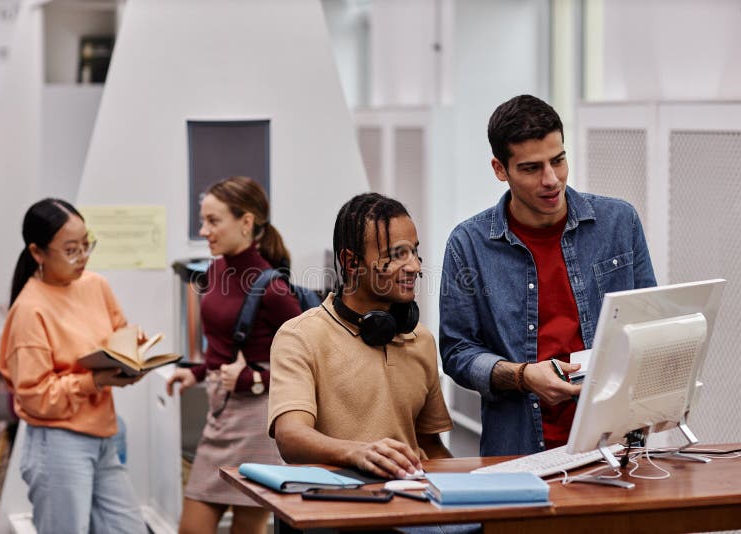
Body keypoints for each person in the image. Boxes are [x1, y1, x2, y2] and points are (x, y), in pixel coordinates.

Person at [439, 94, 657, 457]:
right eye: (531, 168)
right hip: (518, 449)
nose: (551, 180)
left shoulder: (619, 222)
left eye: (558, 160)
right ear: (499, 169)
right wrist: (523, 376)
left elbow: (649, 323)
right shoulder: (468, 244)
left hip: (614, 445)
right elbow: (458, 353)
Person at [268, 192, 453, 479]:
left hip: (413, 503)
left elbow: (430, 445)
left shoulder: (421, 339)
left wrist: (468, 493)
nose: (415, 266)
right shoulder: (299, 337)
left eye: (414, 252)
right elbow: (290, 437)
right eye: (396, 255)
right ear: (351, 262)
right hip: (339, 507)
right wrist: (357, 453)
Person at [0, 198, 146, 533]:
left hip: (103, 433)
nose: (83, 257)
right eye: (71, 250)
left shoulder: (95, 285)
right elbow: (35, 396)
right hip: (57, 442)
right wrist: (92, 381)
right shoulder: (29, 310)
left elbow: (118, 329)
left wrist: (132, 351)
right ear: (38, 253)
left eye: (86, 245)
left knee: (129, 527)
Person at [166, 176, 302, 534]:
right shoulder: (215, 270)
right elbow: (223, 345)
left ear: (246, 222)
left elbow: (311, 360)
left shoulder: (273, 287)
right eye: (203, 220)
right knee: (191, 527)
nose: (203, 230)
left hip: (258, 421)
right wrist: (196, 373)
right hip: (222, 412)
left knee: (246, 528)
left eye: (213, 221)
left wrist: (255, 379)